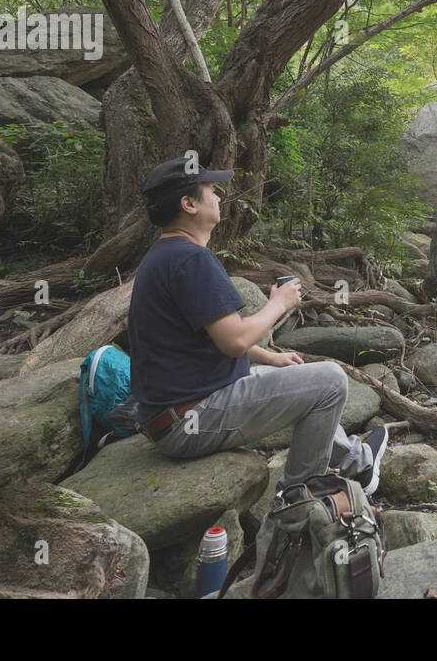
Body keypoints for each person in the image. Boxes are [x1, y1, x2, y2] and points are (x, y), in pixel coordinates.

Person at [126, 155, 387, 495]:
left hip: (171, 415)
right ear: (189, 204)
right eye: (211, 190)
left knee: (288, 378)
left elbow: (203, 341)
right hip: (189, 420)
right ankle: (300, 496)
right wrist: (278, 304)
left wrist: (270, 358)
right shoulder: (191, 259)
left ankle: (359, 462)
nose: (219, 197)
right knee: (331, 380)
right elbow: (233, 342)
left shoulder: (164, 255)